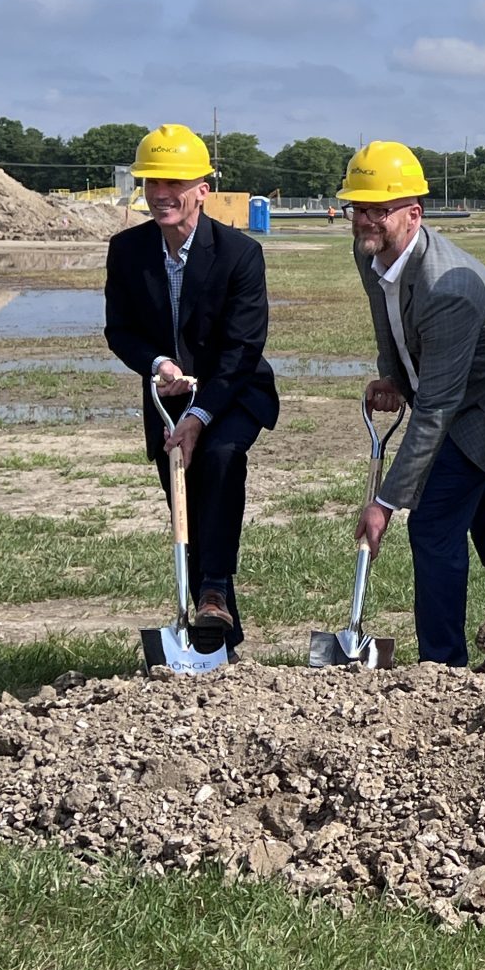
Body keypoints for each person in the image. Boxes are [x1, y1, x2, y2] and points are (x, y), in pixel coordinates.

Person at [344, 141, 485, 672]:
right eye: (357, 207)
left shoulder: (446, 287)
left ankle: (442, 668)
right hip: (459, 393)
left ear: (413, 215)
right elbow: (385, 314)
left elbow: (437, 407)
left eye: (378, 210)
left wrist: (385, 503)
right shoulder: (370, 249)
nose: (365, 219)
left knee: (432, 521)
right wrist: (391, 374)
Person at [104, 124, 279, 653]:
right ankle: (214, 623)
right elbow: (120, 330)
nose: (161, 193)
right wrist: (158, 363)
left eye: (174, 182)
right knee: (185, 500)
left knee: (221, 459)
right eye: (151, 182)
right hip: (165, 397)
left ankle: (211, 590)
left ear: (203, 187)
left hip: (235, 390)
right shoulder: (127, 251)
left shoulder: (239, 255)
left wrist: (199, 417)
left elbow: (241, 348)